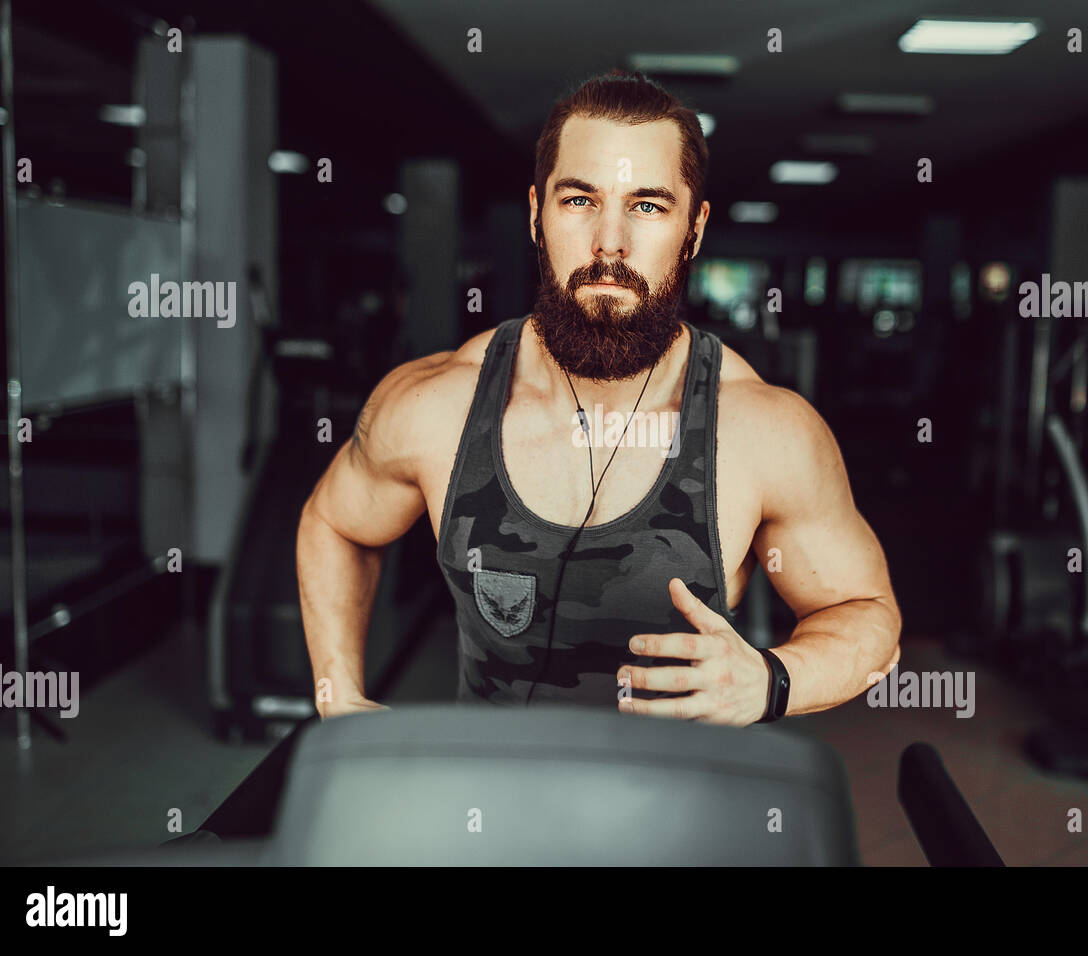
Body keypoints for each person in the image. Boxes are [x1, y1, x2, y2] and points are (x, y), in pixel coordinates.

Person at [297, 70, 901, 726]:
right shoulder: (435, 405)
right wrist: (338, 696)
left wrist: (772, 680)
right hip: (491, 807)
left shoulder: (765, 430)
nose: (609, 243)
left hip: (670, 817)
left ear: (694, 229)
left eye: (647, 205)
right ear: (536, 213)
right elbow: (335, 526)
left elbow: (869, 616)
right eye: (580, 200)